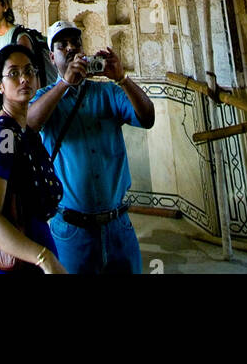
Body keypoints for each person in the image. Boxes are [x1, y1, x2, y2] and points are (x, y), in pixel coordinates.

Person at [27, 20, 155, 275]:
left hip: (119, 226)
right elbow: (29, 125)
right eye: (63, 46)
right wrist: (66, 84)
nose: (72, 49)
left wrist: (122, 78)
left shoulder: (108, 93)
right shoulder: (45, 98)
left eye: (77, 43)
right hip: (72, 230)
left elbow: (147, 118)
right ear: (53, 57)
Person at [0, 43, 65, 275]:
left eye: (29, 71)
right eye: (13, 73)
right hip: (9, 261)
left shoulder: (22, 130)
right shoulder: (5, 136)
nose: (24, 79)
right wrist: (44, 258)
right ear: (0, 86)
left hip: (24, 251)